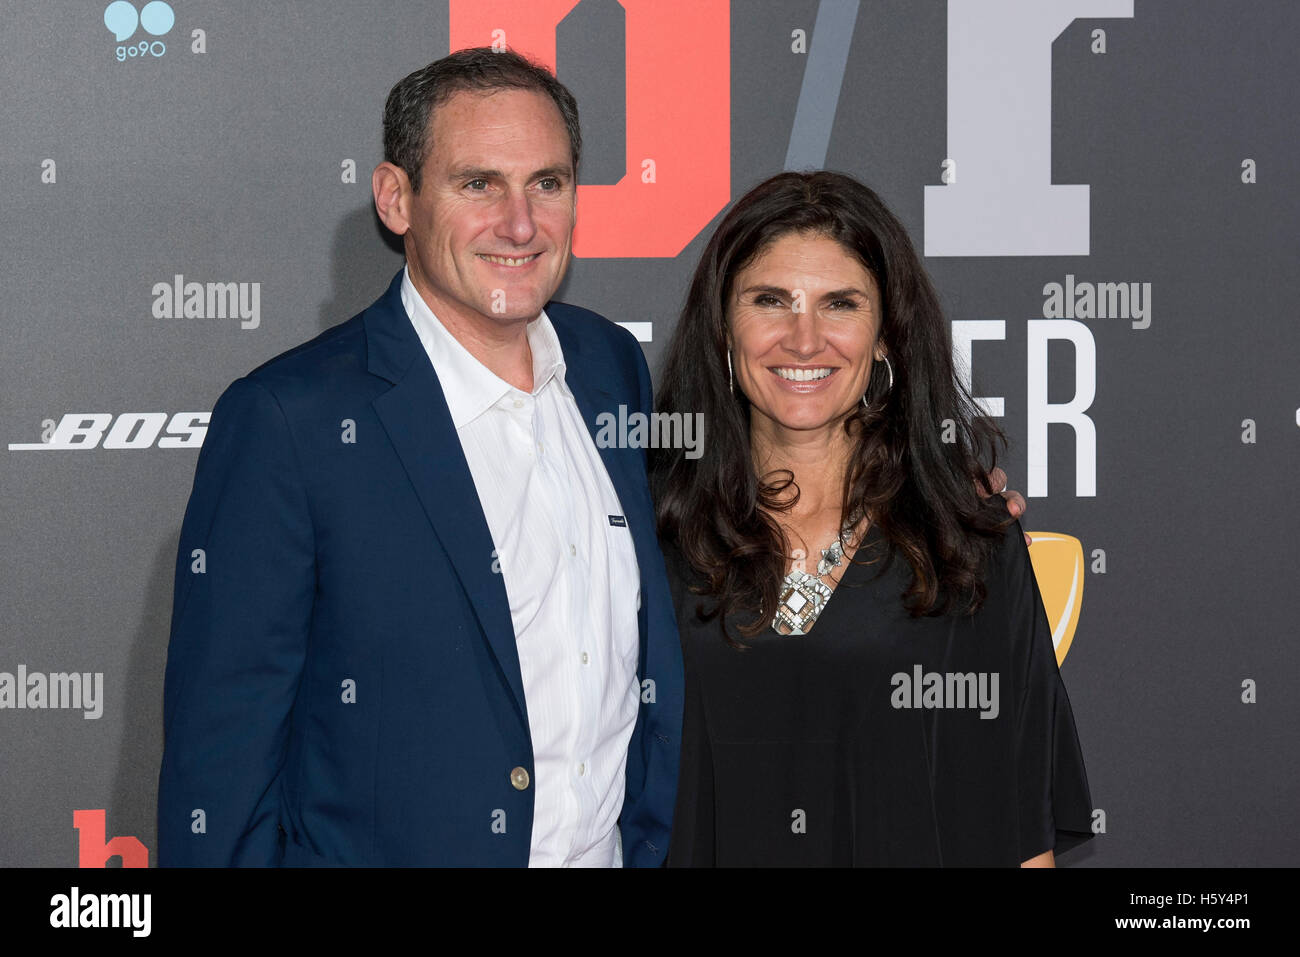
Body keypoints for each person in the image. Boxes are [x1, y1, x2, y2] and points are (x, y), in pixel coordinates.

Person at [156, 48, 683, 866]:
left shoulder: (609, 366)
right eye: (478, 184)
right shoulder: (288, 423)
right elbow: (220, 771)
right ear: (396, 199)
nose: (520, 223)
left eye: (547, 182)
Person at [652, 170, 1092, 866]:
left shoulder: (964, 540)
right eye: (771, 300)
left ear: (886, 334)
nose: (804, 338)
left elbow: (1013, 826)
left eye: (840, 304)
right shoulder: (647, 528)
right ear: (722, 327)